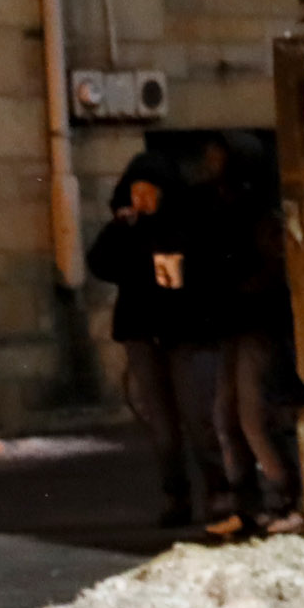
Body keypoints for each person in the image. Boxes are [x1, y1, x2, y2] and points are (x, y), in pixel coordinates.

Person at [83, 148, 220, 528]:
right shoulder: (128, 230)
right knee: (162, 424)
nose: (142, 199)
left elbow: (205, 270)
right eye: (136, 191)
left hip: (184, 334)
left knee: (198, 416)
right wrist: (117, 227)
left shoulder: (186, 224)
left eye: (149, 191)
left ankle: (219, 490)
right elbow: (100, 264)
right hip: (142, 333)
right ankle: (176, 495)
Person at [187, 136, 300, 535]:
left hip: (256, 319)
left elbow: (269, 265)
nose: (210, 163)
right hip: (232, 319)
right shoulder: (219, 203)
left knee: (254, 415)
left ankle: (286, 496)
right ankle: (245, 502)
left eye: (219, 156)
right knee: (226, 415)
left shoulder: (258, 207)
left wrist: (233, 285)